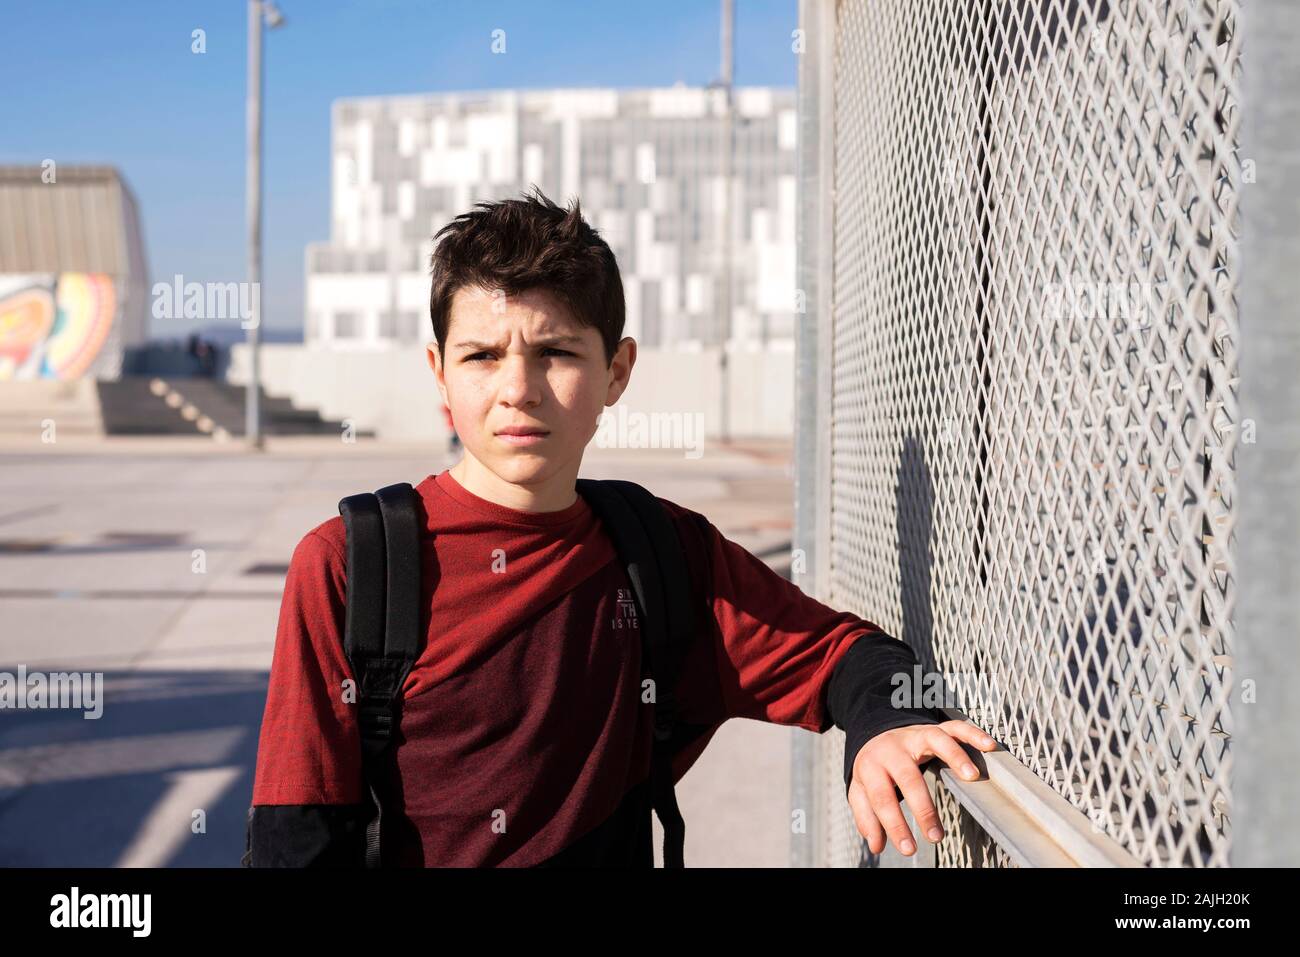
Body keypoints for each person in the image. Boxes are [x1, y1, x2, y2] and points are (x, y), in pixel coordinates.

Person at [246, 185, 996, 867]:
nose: (518, 389)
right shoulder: (352, 564)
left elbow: (845, 655)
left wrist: (884, 723)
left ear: (617, 371)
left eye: (556, 353)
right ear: (440, 373)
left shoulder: (660, 552)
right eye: (482, 356)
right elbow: (294, 841)